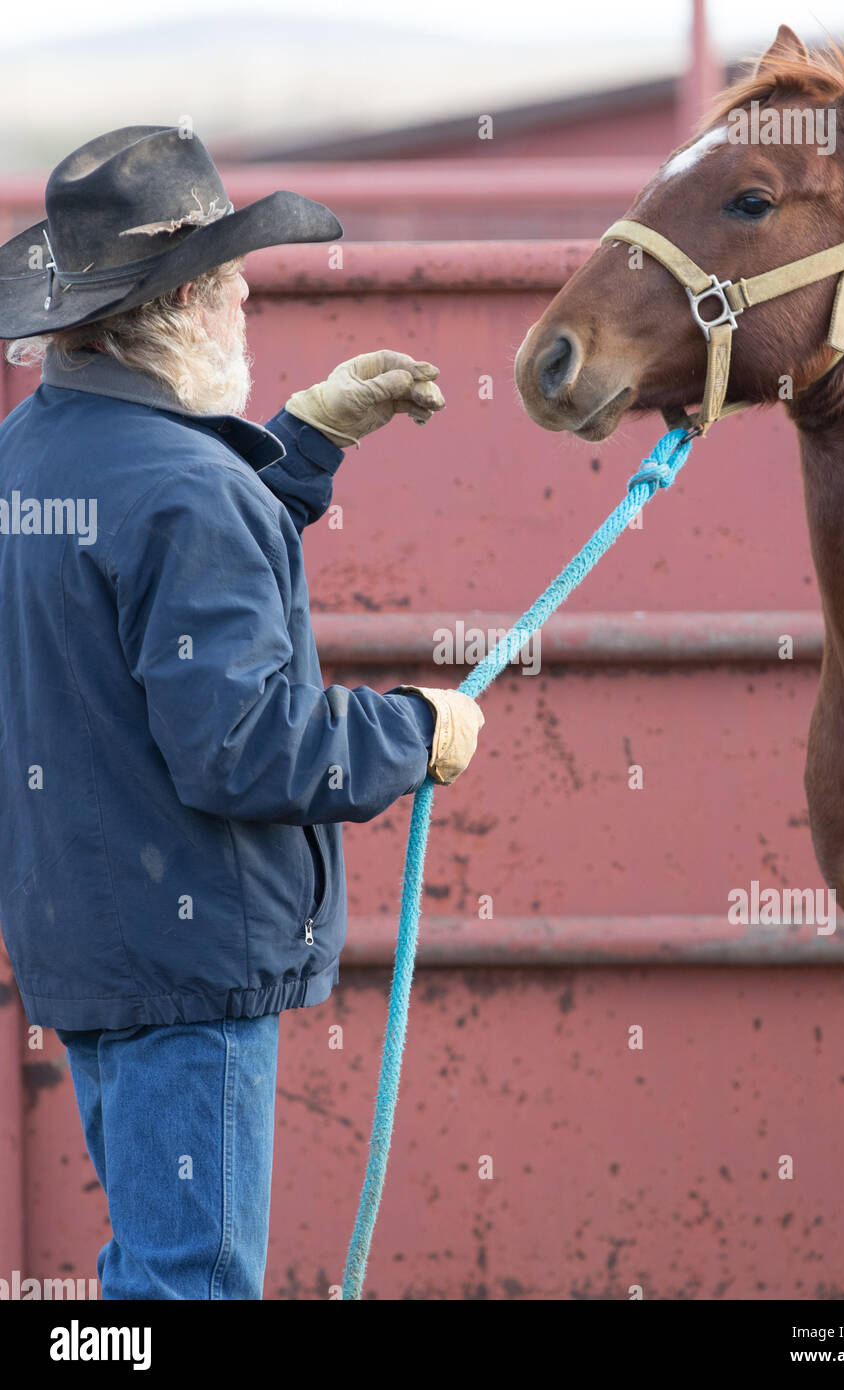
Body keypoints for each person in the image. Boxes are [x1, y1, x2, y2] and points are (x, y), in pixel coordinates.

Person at [0, 125, 484, 1300]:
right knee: (190, 1289)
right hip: (188, 960)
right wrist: (410, 733)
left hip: (87, 943)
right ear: (183, 308)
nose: (247, 306)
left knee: (150, 1274)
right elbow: (244, 746)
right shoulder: (187, 489)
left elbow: (133, 590)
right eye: (233, 288)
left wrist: (302, 446)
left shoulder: (32, 454)